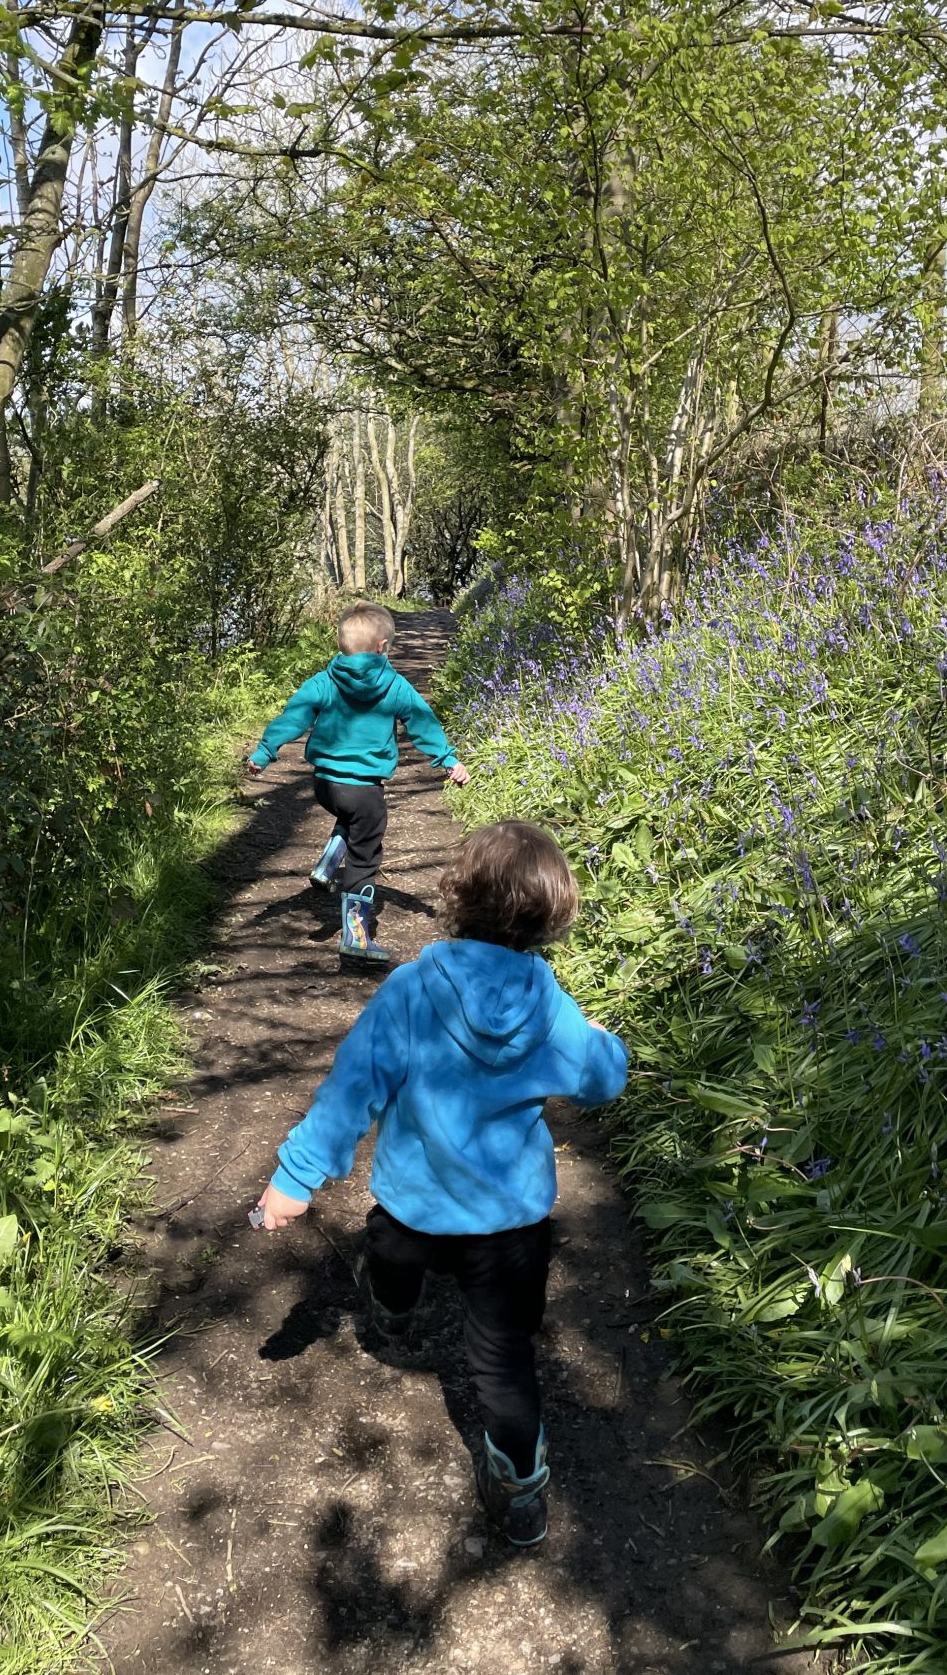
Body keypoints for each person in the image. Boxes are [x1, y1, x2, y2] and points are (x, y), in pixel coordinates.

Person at [253, 820, 629, 1548]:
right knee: (503, 1359)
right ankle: (521, 1490)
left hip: (415, 1203)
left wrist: (294, 1177)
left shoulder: (412, 991)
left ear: (458, 897)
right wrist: (608, 1043)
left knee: (390, 1258)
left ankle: (392, 1313)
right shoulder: (548, 1004)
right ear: (550, 919)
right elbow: (601, 1077)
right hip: (511, 1223)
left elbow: (351, 1089)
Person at [247, 602, 469, 965]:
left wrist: (264, 752)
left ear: (341, 645)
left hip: (326, 787)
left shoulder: (323, 681)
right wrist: (448, 760)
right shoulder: (395, 686)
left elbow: (294, 716)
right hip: (366, 791)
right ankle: (356, 936)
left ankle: (331, 859)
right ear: (382, 646)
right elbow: (422, 723)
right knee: (364, 859)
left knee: (348, 818)